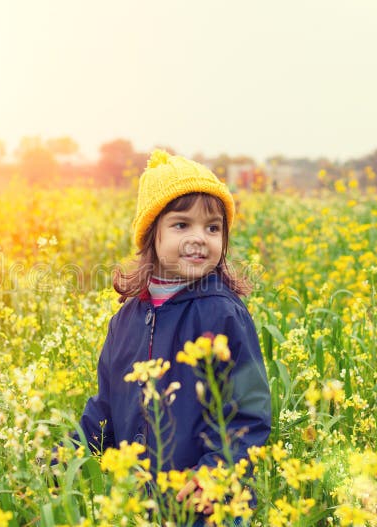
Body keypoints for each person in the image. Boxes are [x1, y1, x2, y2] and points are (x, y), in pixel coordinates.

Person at [77, 149, 271, 520]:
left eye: (213, 228)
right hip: (141, 506)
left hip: (208, 508)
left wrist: (216, 474)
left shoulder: (222, 312)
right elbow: (104, 410)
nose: (199, 238)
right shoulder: (126, 320)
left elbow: (249, 413)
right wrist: (60, 461)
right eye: (182, 225)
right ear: (152, 236)